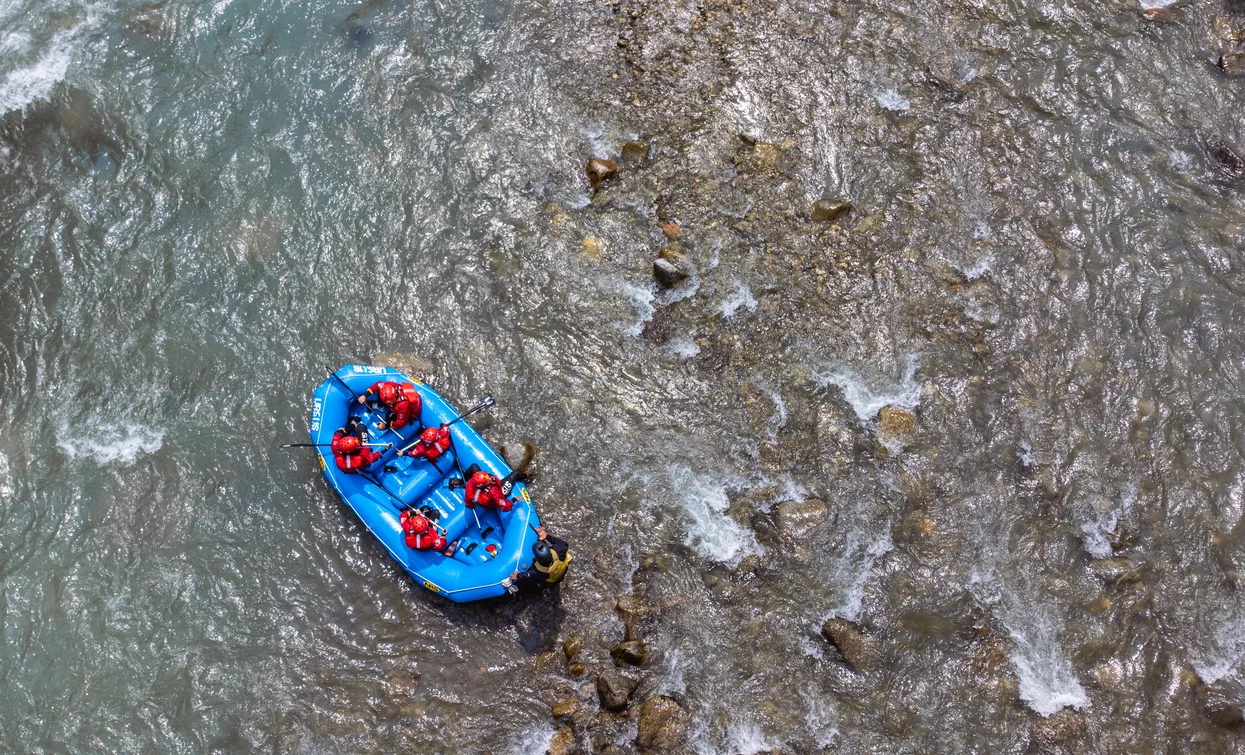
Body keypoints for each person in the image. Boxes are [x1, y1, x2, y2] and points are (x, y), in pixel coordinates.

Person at [505, 527, 573, 590]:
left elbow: (527, 575)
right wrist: (547, 536)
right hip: (562, 571)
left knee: (538, 584)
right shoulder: (558, 550)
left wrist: (518, 576)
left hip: (550, 579)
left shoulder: (538, 571)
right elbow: (563, 543)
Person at [357, 380, 421, 431]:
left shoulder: (403, 405)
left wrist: (386, 425)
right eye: (388, 402)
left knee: (389, 417)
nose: (389, 403)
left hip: (408, 411)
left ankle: (388, 414)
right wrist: (365, 395)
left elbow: (400, 423)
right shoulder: (388, 386)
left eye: (391, 401)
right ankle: (380, 406)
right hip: (396, 404)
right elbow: (377, 385)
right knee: (382, 395)